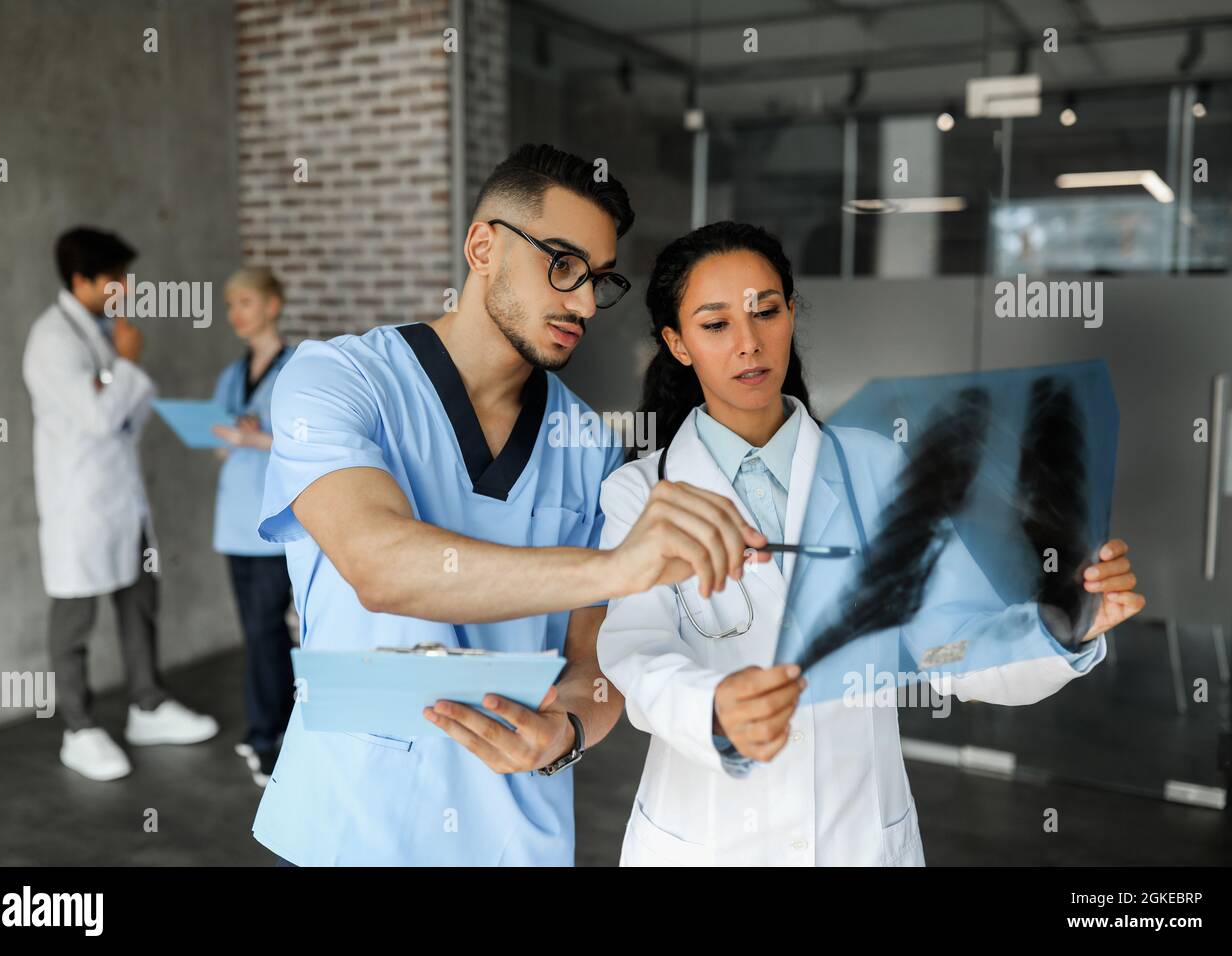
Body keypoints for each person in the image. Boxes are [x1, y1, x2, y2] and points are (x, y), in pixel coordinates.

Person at [249, 145, 768, 865]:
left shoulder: (588, 447)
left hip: (514, 835)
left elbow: (595, 667)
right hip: (350, 825)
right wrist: (617, 567)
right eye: (562, 265)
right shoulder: (337, 381)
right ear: (483, 245)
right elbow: (379, 564)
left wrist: (569, 734)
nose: (584, 303)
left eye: (599, 281)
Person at [595, 221, 1147, 866]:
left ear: (790, 315)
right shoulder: (641, 491)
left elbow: (951, 642)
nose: (748, 343)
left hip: (854, 835)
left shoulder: (878, 470)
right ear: (678, 343)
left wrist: (1065, 625)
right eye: (715, 325)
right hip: (706, 839)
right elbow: (636, 649)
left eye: (765, 312)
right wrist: (714, 708)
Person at [22, 226, 219, 782]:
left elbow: (126, 419)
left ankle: (147, 705)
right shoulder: (52, 340)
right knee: (75, 617)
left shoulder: (101, 330)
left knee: (140, 599)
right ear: (82, 280)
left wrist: (121, 370)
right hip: (79, 502)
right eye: (115, 279)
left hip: (119, 497)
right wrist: (128, 363)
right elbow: (99, 417)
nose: (125, 288)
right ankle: (78, 729)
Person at [209, 267, 296, 788]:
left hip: (270, 526)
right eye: (229, 304)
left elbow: (304, 444)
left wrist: (256, 437)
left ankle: (268, 737)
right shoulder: (229, 373)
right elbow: (221, 446)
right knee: (255, 632)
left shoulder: (297, 369)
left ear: (272, 304)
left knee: (266, 630)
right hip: (232, 522)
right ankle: (270, 726)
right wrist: (225, 437)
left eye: (244, 302)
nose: (235, 314)